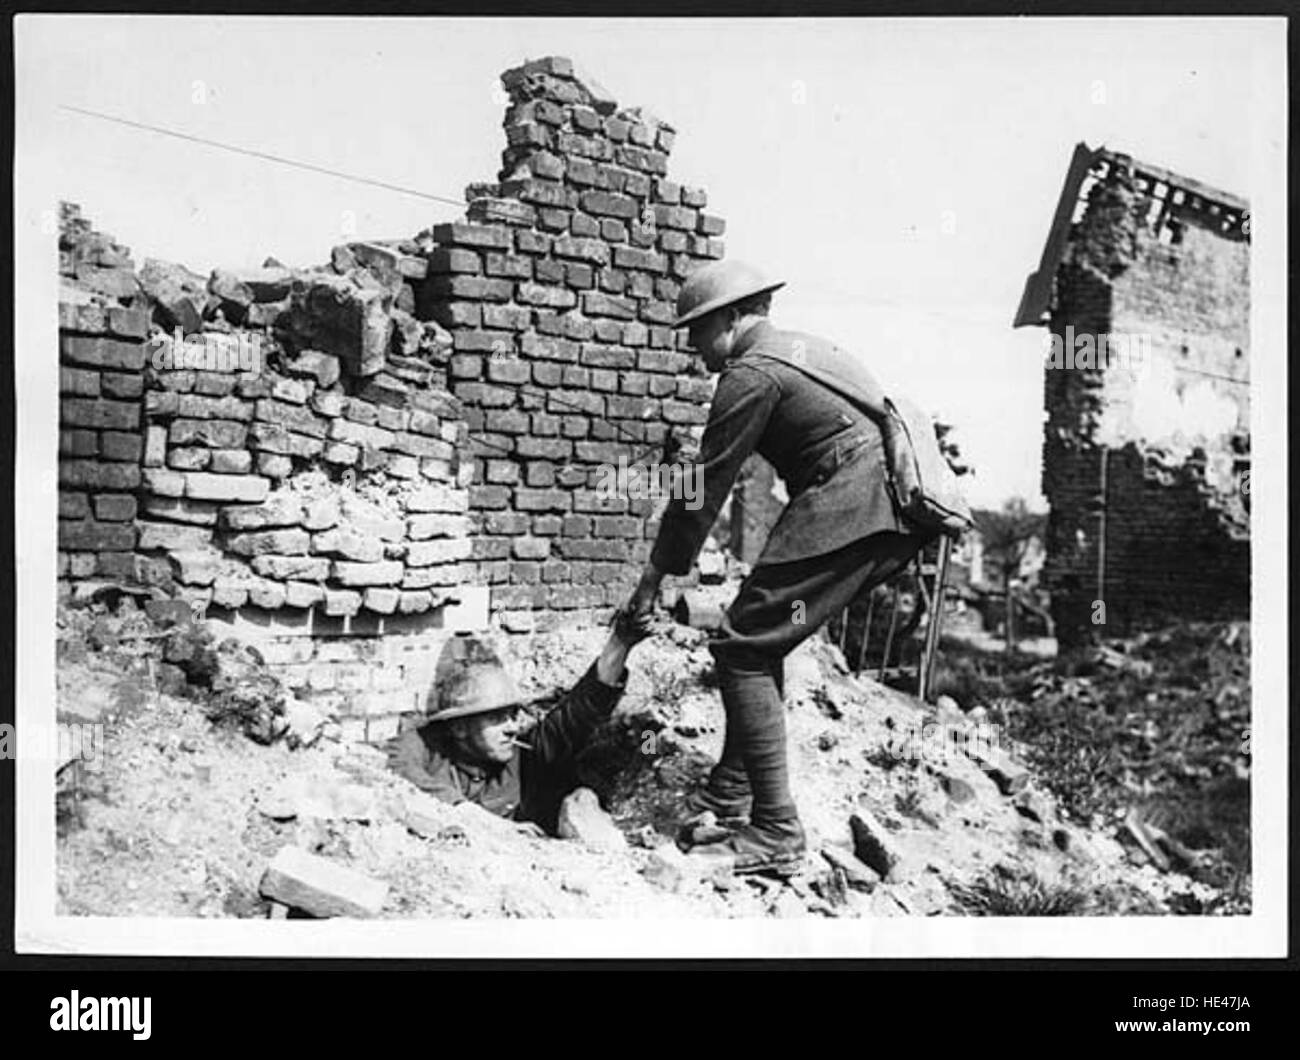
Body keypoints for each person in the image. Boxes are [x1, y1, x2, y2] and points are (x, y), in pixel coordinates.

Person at [623, 259, 935, 875]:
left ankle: (775, 831)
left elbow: (701, 490)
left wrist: (654, 579)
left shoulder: (750, 373)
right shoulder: (807, 349)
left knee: (741, 648)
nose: (694, 349)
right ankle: (732, 791)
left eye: (697, 332)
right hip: (883, 506)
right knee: (756, 637)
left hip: (855, 500)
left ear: (733, 319)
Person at [385, 613, 650, 836]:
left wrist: (619, 643)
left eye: (512, 716)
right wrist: (469, 813)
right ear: (459, 728)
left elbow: (578, 713)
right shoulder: (429, 748)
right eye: (496, 718)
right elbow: (394, 762)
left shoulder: (526, 756)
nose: (511, 727)